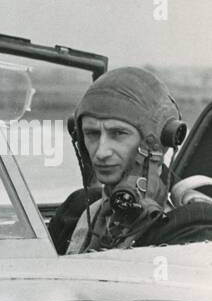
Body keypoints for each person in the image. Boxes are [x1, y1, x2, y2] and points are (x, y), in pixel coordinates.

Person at [50, 67, 212, 253]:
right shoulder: (75, 211)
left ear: (156, 141)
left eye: (118, 134)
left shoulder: (193, 224)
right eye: (92, 134)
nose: (101, 152)